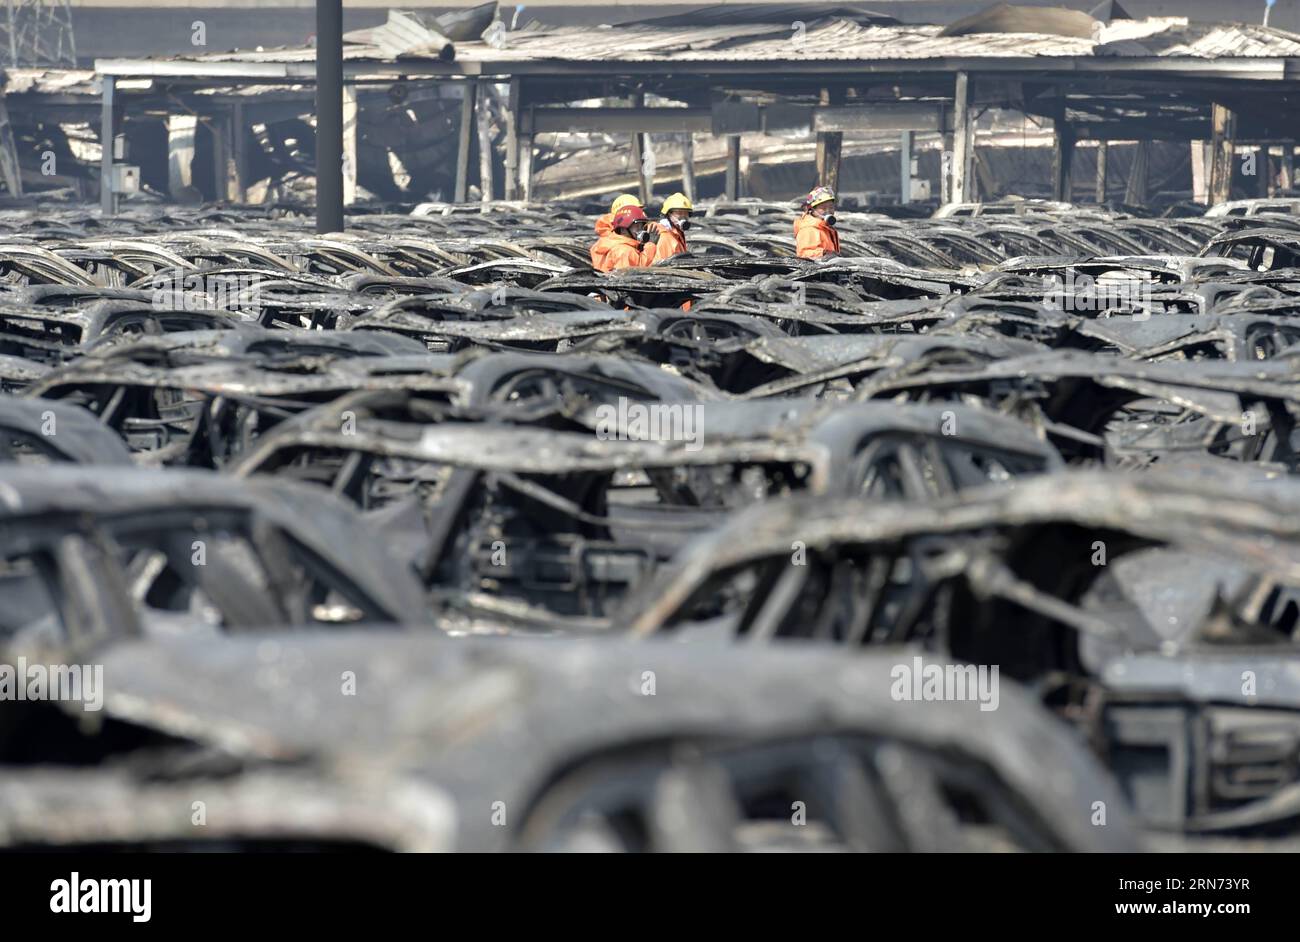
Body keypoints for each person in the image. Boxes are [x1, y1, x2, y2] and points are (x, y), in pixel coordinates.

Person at [591, 205, 658, 272]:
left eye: (641, 226)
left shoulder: (606, 243)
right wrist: (650, 247)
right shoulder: (624, 252)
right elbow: (630, 277)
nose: (640, 230)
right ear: (623, 229)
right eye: (637, 226)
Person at [794, 185, 840, 260]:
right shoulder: (808, 228)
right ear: (812, 210)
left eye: (831, 207)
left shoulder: (824, 227)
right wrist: (824, 254)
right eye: (823, 208)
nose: (828, 211)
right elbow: (804, 253)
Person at [653, 192, 693, 263]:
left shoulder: (677, 234)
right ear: (669, 214)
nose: (683, 216)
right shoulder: (664, 236)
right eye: (679, 213)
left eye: (686, 213)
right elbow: (664, 268)